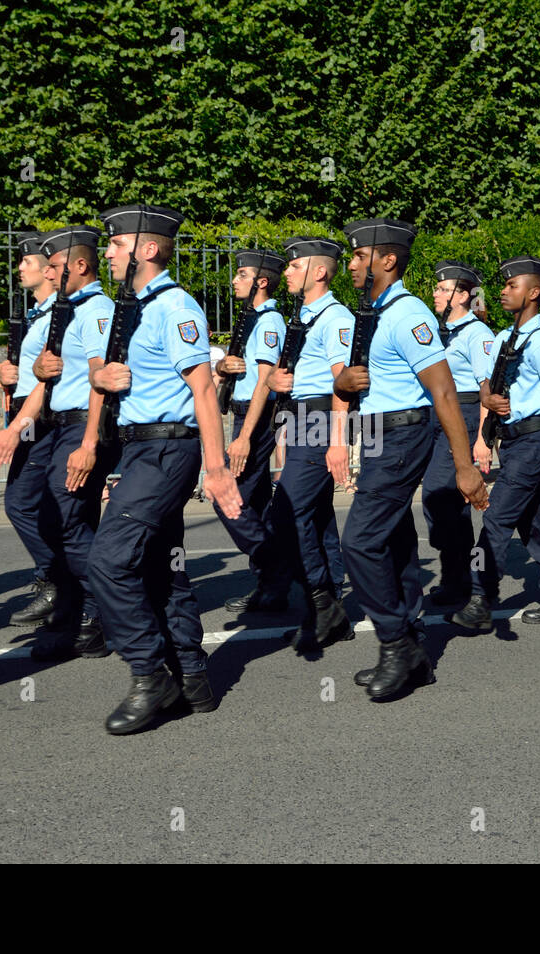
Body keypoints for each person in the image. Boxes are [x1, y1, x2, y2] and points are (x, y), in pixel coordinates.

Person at [87, 203, 243, 735]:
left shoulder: (175, 306)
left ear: (147, 250)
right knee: (162, 565)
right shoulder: (135, 306)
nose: (106, 251)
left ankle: (150, 674)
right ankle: (193, 679)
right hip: (141, 449)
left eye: (115, 242)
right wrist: (107, 381)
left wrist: (217, 468)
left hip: (167, 449)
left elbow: (203, 389)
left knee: (107, 561)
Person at [331, 218, 488, 701]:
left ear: (387, 260)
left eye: (359, 256)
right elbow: (359, 382)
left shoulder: (406, 313)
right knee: (395, 540)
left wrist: (465, 467)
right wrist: (343, 386)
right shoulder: (373, 311)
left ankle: (396, 644)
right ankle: (412, 648)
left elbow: (443, 391)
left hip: (403, 434)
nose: (352, 264)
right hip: (378, 434)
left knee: (358, 542)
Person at [450, 256, 540, 632]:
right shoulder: (502, 337)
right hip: (511, 441)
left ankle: (481, 598)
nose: (502, 291)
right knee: (535, 521)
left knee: (496, 518)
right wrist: (487, 398)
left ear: (533, 292)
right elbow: (486, 382)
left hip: (535, 440)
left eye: (511, 286)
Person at [27, 225, 119, 659]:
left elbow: (100, 380)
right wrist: (43, 371)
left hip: (83, 425)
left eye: (56, 266)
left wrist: (88, 442)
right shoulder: (70, 308)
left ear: (80, 266)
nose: (50, 272)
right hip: (59, 425)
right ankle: (73, 610)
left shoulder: (98, 309)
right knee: (53, 518)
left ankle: (99, 612)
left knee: (67, 521)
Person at [265, 237, 353, 652]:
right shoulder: (303, 317)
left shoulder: (334, 318)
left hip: (321, 421)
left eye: (294, 265)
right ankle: (327, 611)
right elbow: (299, 376)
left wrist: (338, 442)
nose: (285, 272)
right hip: (302, 417)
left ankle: (322, 604)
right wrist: (280, 381)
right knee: (316, 520)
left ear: (318, 272)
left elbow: (344, 383)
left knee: (285, 514)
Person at [0, 231, 63, 627]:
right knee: (40, 505)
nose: (20, 267)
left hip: (42, 420)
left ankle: (57, 580)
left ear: (50, 272)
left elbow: (48, 378)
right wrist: (4, 376)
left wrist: (19, 425)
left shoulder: (56, 316)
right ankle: (56, 580)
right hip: (25, 415)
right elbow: (23, 370)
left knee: (21, 503)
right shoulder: (32, 314)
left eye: (28, 262)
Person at [216, 249, 296, 614]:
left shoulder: (268, 321)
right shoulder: (252, 318)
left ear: (261, 282)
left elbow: (266, 380)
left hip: (257, 417)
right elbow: (250, 371)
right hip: (245, 412)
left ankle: (275, 566)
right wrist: (228, 367)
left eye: (242, 274)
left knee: (228, 496)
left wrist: (245, 436)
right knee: (260, 503)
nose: (235, 280)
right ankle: (271, 585)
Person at [420, 259, 495, 607]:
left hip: (464, 414)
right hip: (439, 415)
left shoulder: (477, 333)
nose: (436, 293)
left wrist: (482, 438)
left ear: (463, 296)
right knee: (447, 501)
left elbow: (487, 390)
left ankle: (461, 578)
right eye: (436, 288)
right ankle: (457, 577)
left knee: (440, 495)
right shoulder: (440, 330)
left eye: (443, 288)